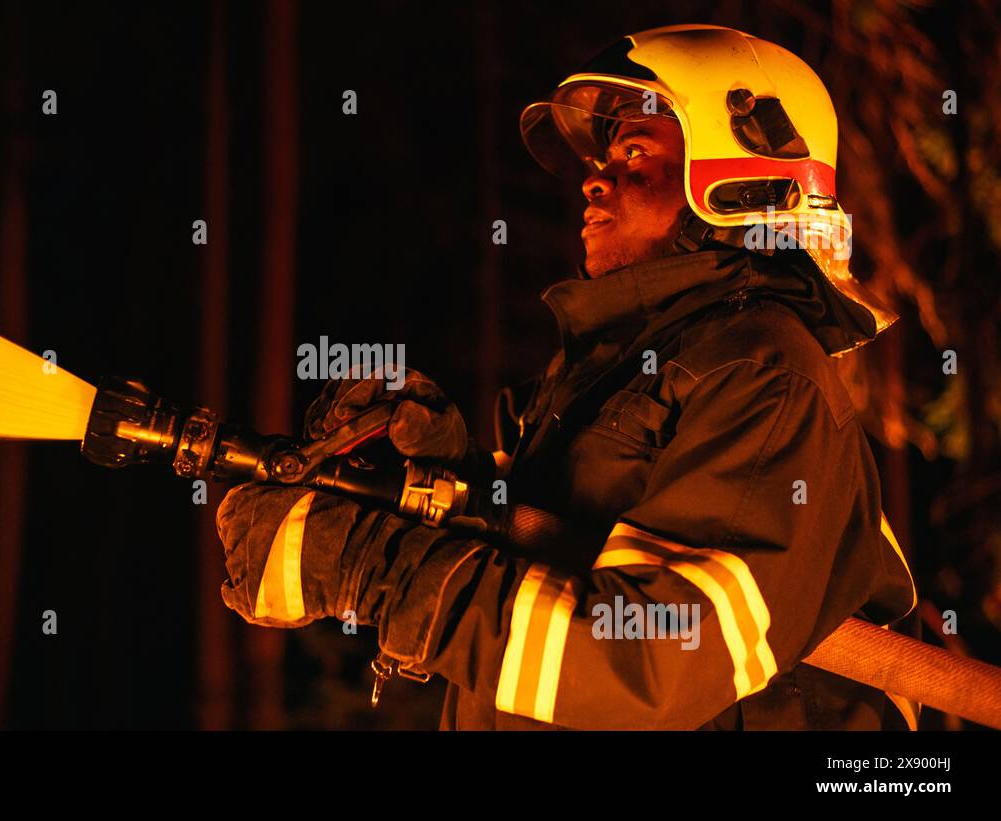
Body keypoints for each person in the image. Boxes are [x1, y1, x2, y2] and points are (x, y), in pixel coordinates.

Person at [214, 24, 918, 729]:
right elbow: (556, 568)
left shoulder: (763, 378)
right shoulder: (616, 374)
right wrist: (456, 484)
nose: (594, 178)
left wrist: (376, 568)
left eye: (635, 152)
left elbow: (654, 660)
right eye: (604, 156)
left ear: (740, 177)